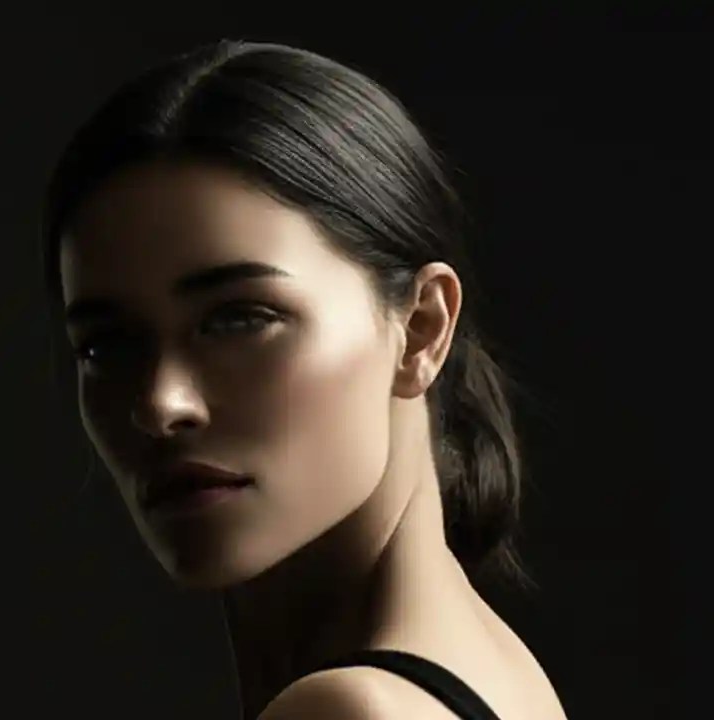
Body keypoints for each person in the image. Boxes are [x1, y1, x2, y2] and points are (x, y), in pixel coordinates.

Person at [38, 38, 569, 720]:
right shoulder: (490, 667)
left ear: (421, 329)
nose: (160, 403)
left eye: (239, 320)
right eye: (106, 346)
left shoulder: (349, 710)